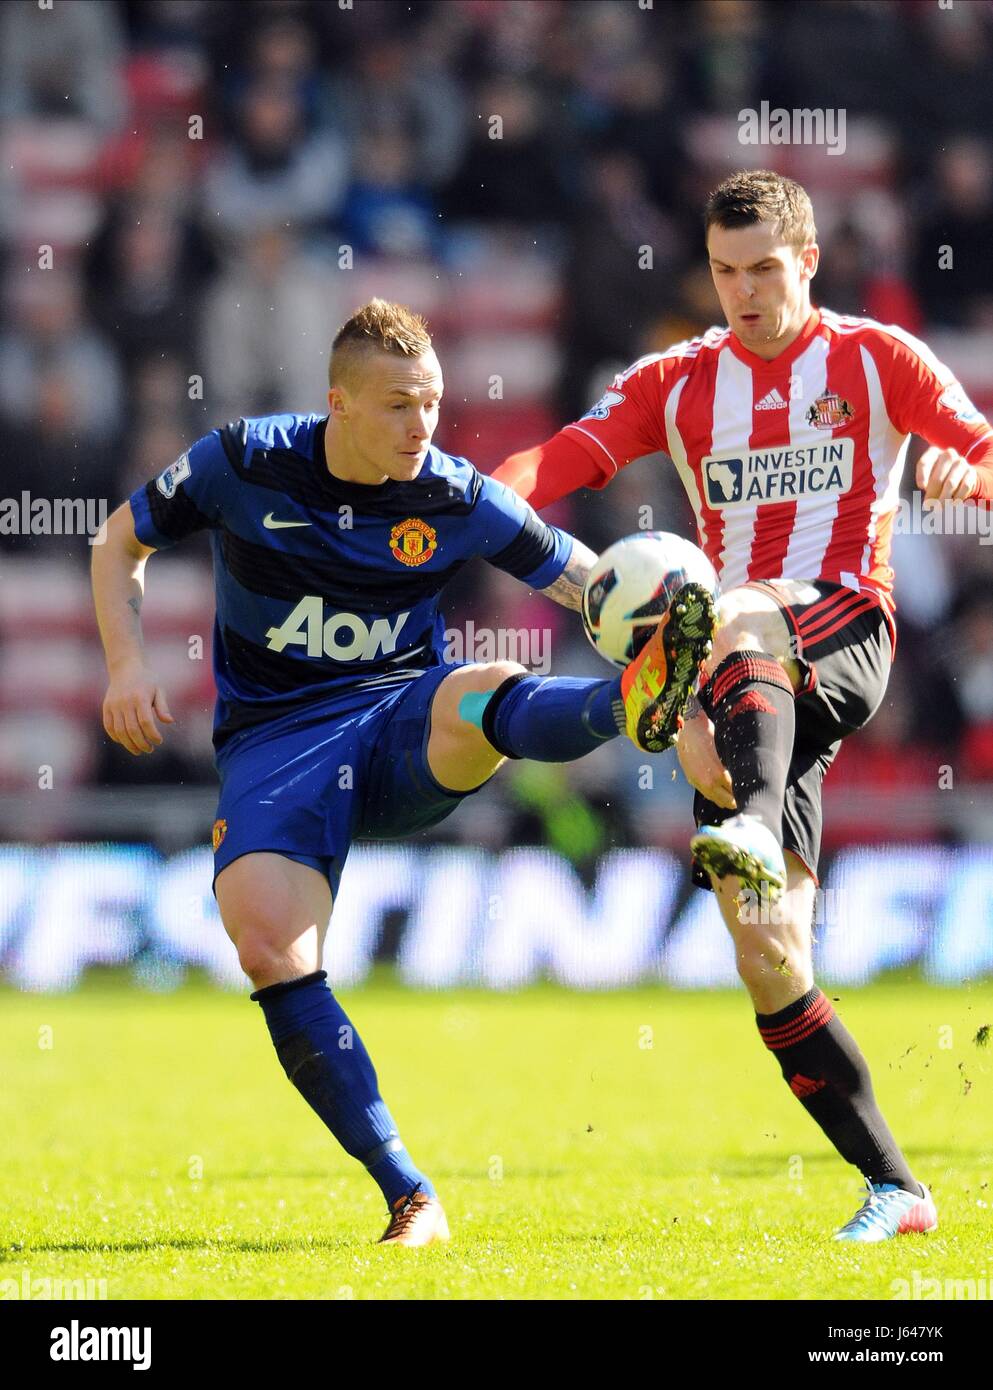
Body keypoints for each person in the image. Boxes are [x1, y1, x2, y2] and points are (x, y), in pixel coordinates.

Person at [494, 170, 993, 1242]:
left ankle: (752, 821)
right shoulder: (677, 380)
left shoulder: (876, 358)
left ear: (808, 259)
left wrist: (965, 477)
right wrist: (470, 497)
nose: (745, 293)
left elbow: (982, 448)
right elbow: (561, 458)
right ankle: (897, 1186)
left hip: (845, 628)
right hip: (742, 675)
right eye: (725, 273)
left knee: (737, 610)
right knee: (768, 951)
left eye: (765, 269)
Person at [92, 299, 648, 1247]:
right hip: (275, 742)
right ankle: (409, 1194)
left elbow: (586, 584)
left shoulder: (455, 495)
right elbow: (118, 542)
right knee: (268, 947)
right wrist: (126, 664)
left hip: (399, 723)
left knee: (477, 692)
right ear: (337, 404)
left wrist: (649, 626)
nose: (421, 426)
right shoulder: (245, 461)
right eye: (397, 405)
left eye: (430, 403)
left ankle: (629, 711)